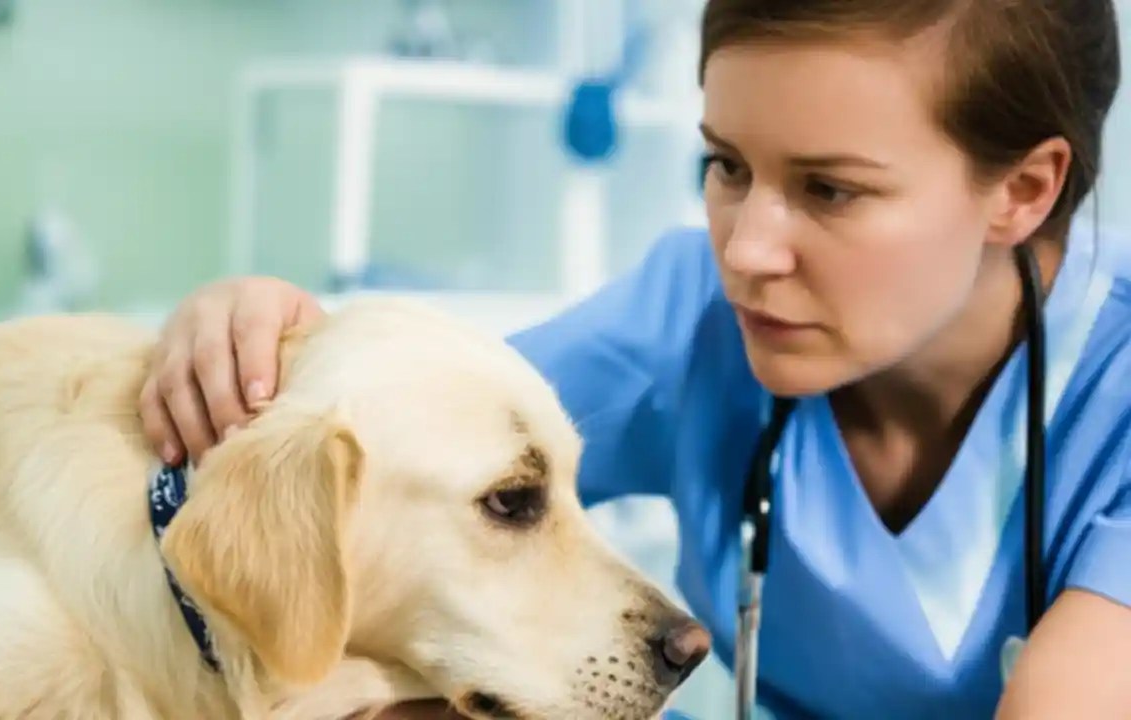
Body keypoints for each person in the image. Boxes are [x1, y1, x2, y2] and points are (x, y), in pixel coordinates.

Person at [139, 1, 1130, 717]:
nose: (742, 250)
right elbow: (384, 476)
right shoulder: (689, 313)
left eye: (829, 190)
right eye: (726, 166)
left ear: (1022, 189)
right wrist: (274, 342)